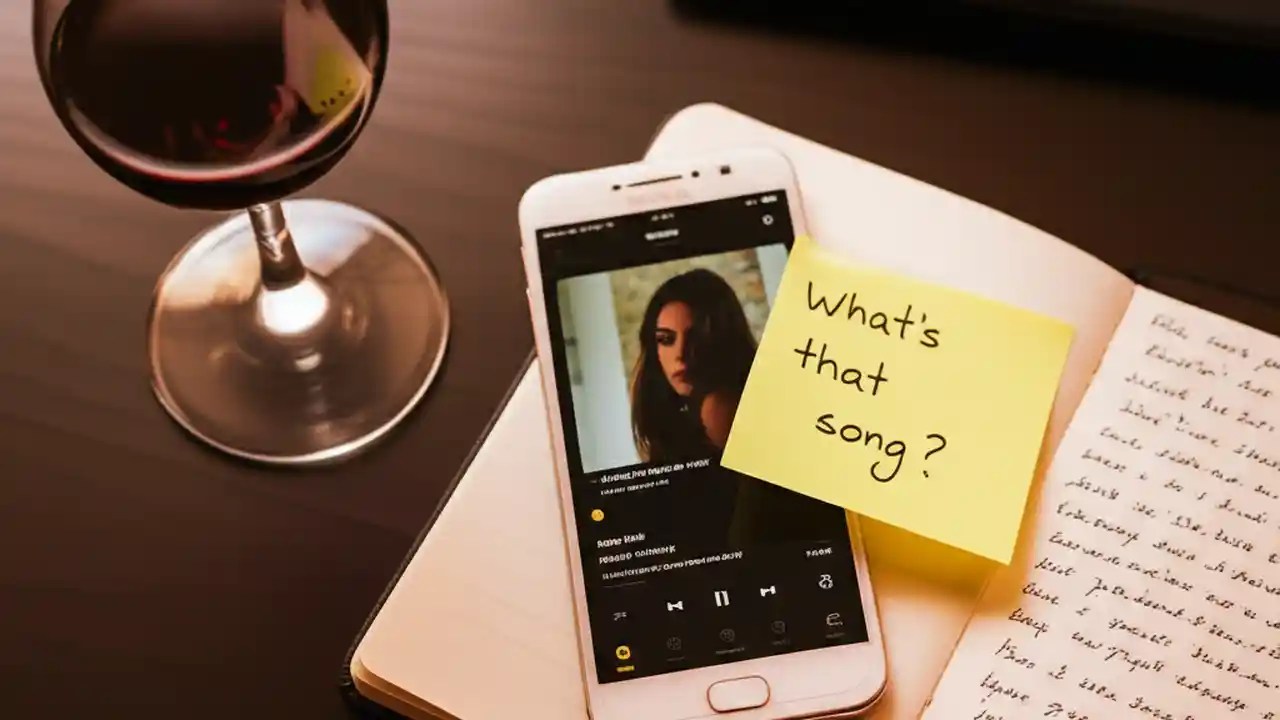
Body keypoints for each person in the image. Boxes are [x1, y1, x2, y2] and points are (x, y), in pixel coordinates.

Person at [629, 269, 757, 463]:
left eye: (695, 336)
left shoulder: (718, 407)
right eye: (665, 339)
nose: (680, 354)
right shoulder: (680, 411)